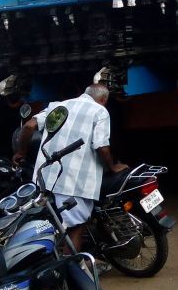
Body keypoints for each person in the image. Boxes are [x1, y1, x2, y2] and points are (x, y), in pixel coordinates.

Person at [15, 83, 127, 248]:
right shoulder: (100, 111)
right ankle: (73, 270)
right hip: (77, 182)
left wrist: (21, 153)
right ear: (103, 99)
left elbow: (29, 126)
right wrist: (112, 166)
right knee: (75, 229)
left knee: (56, 222)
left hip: (48, 178)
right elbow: (101, 146)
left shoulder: (58, 106)